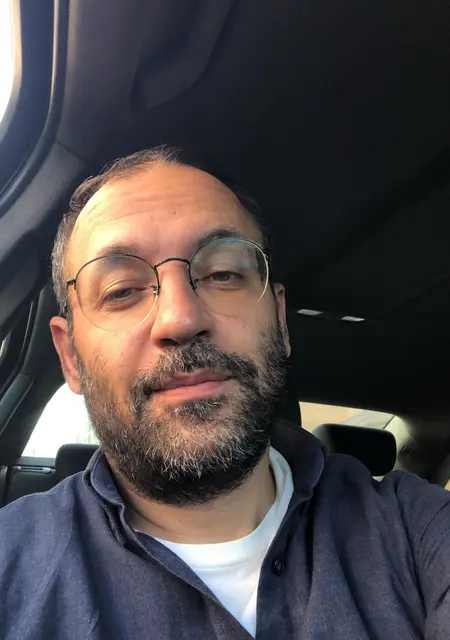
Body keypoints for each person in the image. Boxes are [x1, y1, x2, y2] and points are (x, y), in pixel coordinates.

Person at [0, 146, 449, 640]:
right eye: (122, 290)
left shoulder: (417, 527)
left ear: (280, 320)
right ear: (70, 356)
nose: (180, 319)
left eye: (223, 274)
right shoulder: (11, 566)